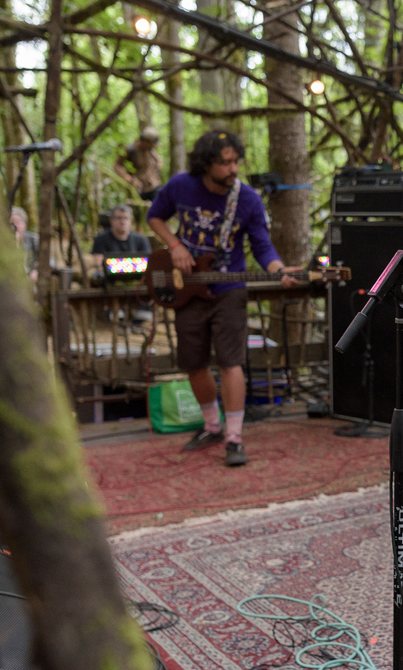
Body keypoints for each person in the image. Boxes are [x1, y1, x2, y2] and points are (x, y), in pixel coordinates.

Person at [146, 130, 298, 467]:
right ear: (206, 164)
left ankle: (234, 436)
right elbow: (155, 216)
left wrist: (279, 269)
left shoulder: (247, 199)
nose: (232, 169)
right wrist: (175, 246)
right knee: (193, 362)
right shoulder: (180, 185)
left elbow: (262, 245)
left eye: (235, 161)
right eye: (224, 163)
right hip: (187, 287)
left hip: (229, 288)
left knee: (231, 361)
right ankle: (211, 426)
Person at [117, 126, 165, 199]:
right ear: (145, 141)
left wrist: (158, 165)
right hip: (139, 189)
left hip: (154, 186)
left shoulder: (151, 150)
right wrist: (128, 178)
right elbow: (117, 165)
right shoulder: (130, 150)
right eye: (151, 144)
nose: (153, 146)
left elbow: (158, 162)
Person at [10, 206, 38, 282]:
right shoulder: (2, 242)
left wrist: (37, 270)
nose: (15, 226)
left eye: (18, 222)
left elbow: (50, 261)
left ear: (25, 224)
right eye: (12, 222)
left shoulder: (34, 240)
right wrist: (16, 244)